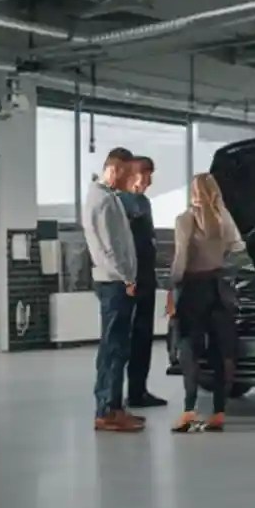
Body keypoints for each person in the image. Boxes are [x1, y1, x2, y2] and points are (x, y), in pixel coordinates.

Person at [168, 173, 245, 433]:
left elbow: (180, 260)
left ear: (193, 193)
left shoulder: (185, 220)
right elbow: (238, 248)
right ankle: (219, 413)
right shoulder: (224, 218)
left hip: (193, 290)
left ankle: (189, 411)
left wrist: (172, 286)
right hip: (219, 289)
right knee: (219, 352)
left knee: (189, 350)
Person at [83, 149, 143, 433]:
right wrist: (127, 278)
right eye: (129, 173)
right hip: (114, 283)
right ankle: (107, 410)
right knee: (113, 348)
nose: (132, 179)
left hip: (116, 281)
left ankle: (114, 406)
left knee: (118, 346)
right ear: (115, 169)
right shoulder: (103, 201)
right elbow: (109, 249)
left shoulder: (108, 197)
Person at [124, 156, 167, 408]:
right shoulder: (121, 202)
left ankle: (139, 390)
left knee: (143, 337)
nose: (150, 180)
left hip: (147, 277)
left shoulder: (144, 202)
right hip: (131, 278)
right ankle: (117, 397)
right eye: (146, 174)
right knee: (127, 339)